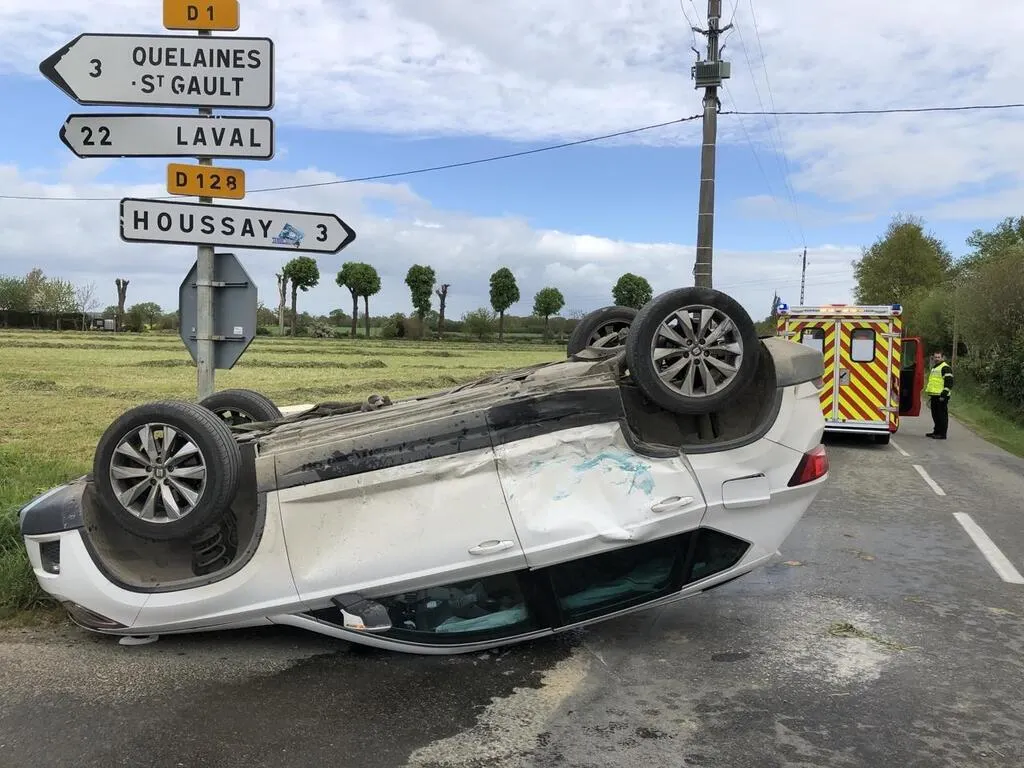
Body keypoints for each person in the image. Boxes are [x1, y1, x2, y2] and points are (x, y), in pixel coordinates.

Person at [924, 350, 954, 439]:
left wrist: (943, 395)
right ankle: (936, 431)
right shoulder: (935, 367)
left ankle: (942, 434)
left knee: (942, 415)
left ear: (942, 358)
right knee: (935, 415)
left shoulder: (945, 368)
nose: (936, 359)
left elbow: (949, 382)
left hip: (941, 396)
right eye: (935, 357)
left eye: (938, 357)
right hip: (935, 395)